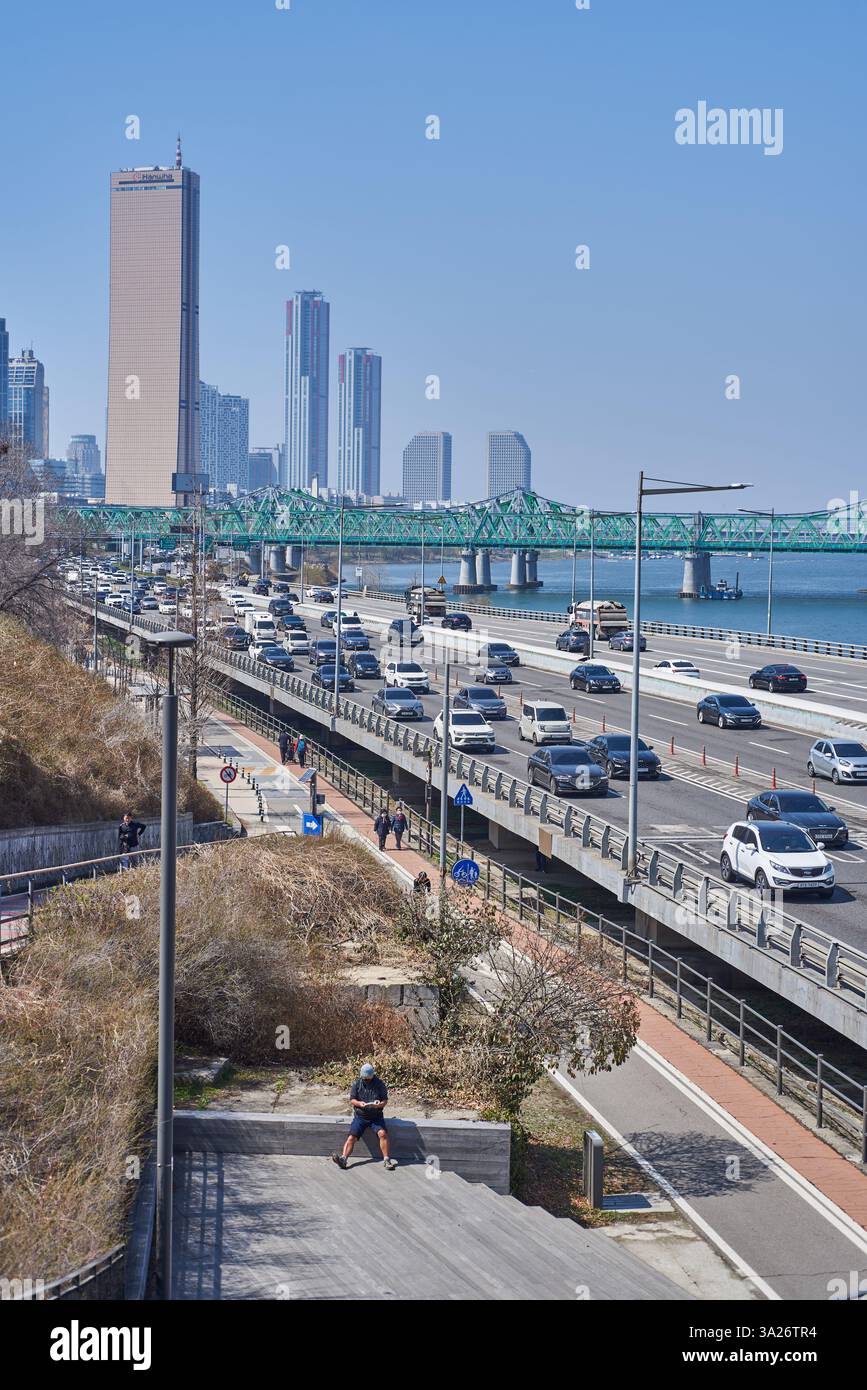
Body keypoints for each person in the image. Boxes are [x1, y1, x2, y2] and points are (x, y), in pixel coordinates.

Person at [331, 1063, 396, 1171]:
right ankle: (343, 1159)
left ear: (372, 1076)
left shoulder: (379, 1084)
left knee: (382, 1134)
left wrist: (378, 1105)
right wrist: (359, 1103)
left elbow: (385, 1100)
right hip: (361, 1117)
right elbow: (352, 1099)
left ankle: (386, 1159)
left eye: (368, 1079)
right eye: (364, 1078)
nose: (366, 1080)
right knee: (352, 1137)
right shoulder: (357, 1083)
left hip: (376, 1117)